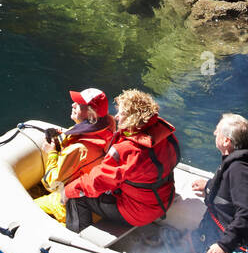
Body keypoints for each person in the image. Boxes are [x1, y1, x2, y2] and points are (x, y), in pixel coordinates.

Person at [63, 89, 179, 233]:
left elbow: (96, 182)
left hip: (137, 213)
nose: (116, 117)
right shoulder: (166, 137)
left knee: (77, 196)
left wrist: (67, 191)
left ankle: (75, 236)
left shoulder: (127, 151)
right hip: (163, 200)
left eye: (122, 113)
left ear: (133, 119)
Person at [179, 114, 248, 253]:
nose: (214, 133)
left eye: (218, 131)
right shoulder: (241, 160)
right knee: (179, 246)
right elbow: (231, 192)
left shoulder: (241, 169)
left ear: (227, 141)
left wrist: (225, 246)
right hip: (212, 234)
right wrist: (208, 187)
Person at [34, 88, 115, 223]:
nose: (73, 104)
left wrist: (52, 152)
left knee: (31, 206)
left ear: (91, 114)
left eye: (78, 104)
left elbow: (52, 184)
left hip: (70, 205)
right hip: (96, 199)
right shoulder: (108, 125)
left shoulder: (79, 150)